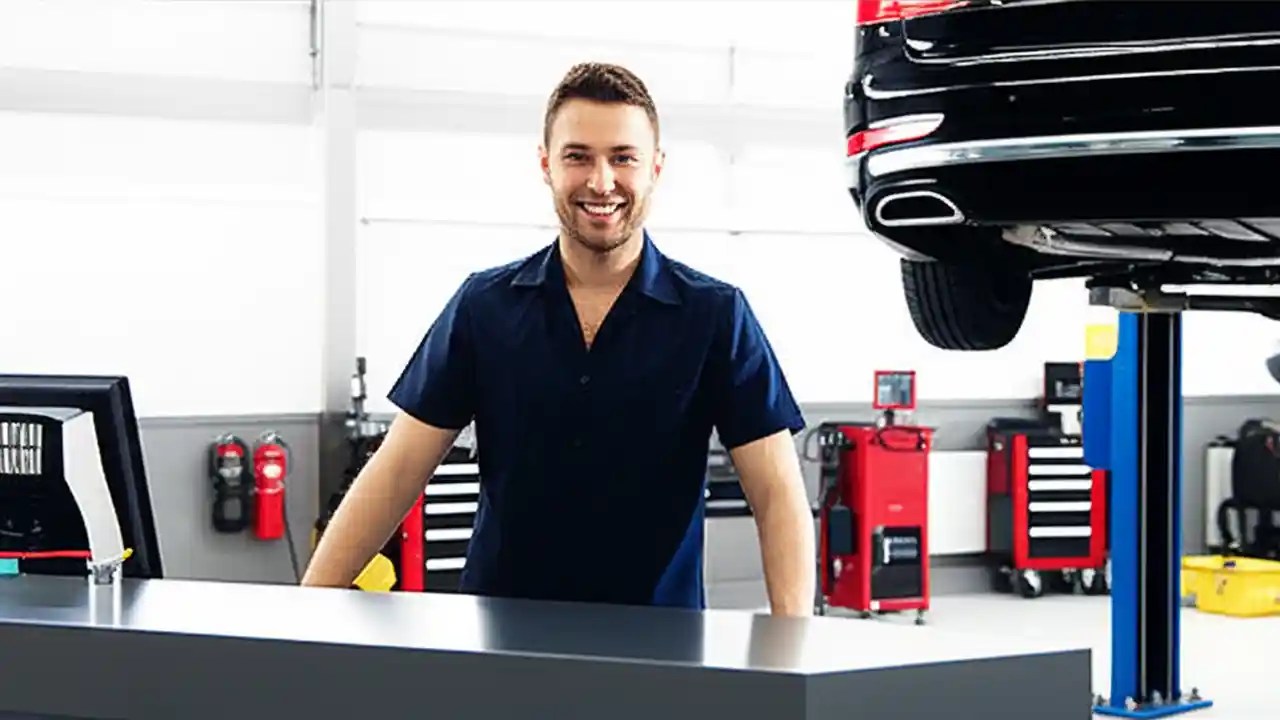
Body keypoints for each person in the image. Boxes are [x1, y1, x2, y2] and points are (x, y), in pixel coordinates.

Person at [302, 62, 816, 616]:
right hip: (503, 648)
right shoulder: (485, 307)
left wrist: (795, 640)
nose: (601, 182)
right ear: (546, 165)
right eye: (578, 156)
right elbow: (399, 469)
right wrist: (307, 610)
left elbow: (777, 493)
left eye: (623, 157)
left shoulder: (716, 316)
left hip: (661, 654)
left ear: (656, 169)